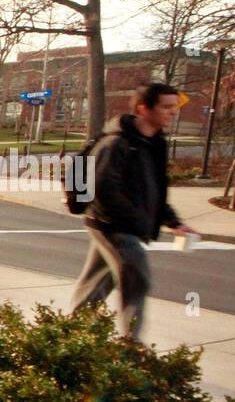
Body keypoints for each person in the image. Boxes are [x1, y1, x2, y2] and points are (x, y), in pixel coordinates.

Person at [69, 83, 199, 340]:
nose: (173, 112)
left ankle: (68, 336)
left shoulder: (153, 143)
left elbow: (154, 190)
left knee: (96, 284)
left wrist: (173, 222)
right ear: (143, 109)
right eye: (166, 106)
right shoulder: (116, 143)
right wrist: (136, 220)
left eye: (175, 106)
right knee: (138, 279)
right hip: (111, 225)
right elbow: (103, 188)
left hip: (123, 226)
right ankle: (130, 346)